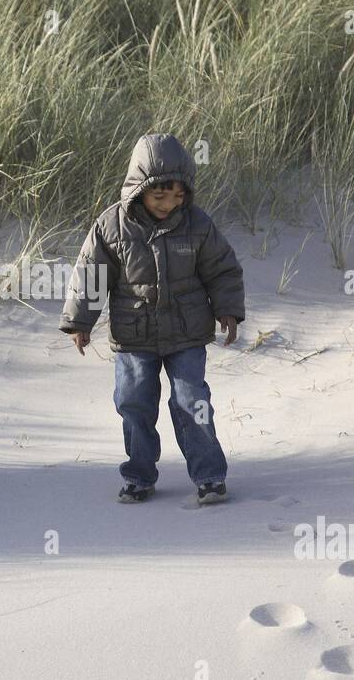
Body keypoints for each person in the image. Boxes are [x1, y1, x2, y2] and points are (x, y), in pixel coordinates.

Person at [60, 133, 245, 504]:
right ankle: (139, 475)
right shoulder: (111, 226)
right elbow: (91, 275)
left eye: (177, 196)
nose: (168, 204)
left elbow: (222, 268)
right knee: (133, 402)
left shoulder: (197, 224)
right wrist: (81, 322)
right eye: (159, 196)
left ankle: (209, 475)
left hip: (187, 333)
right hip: (134, 336)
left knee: (192, 400)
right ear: (137, 187)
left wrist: (227, 309)